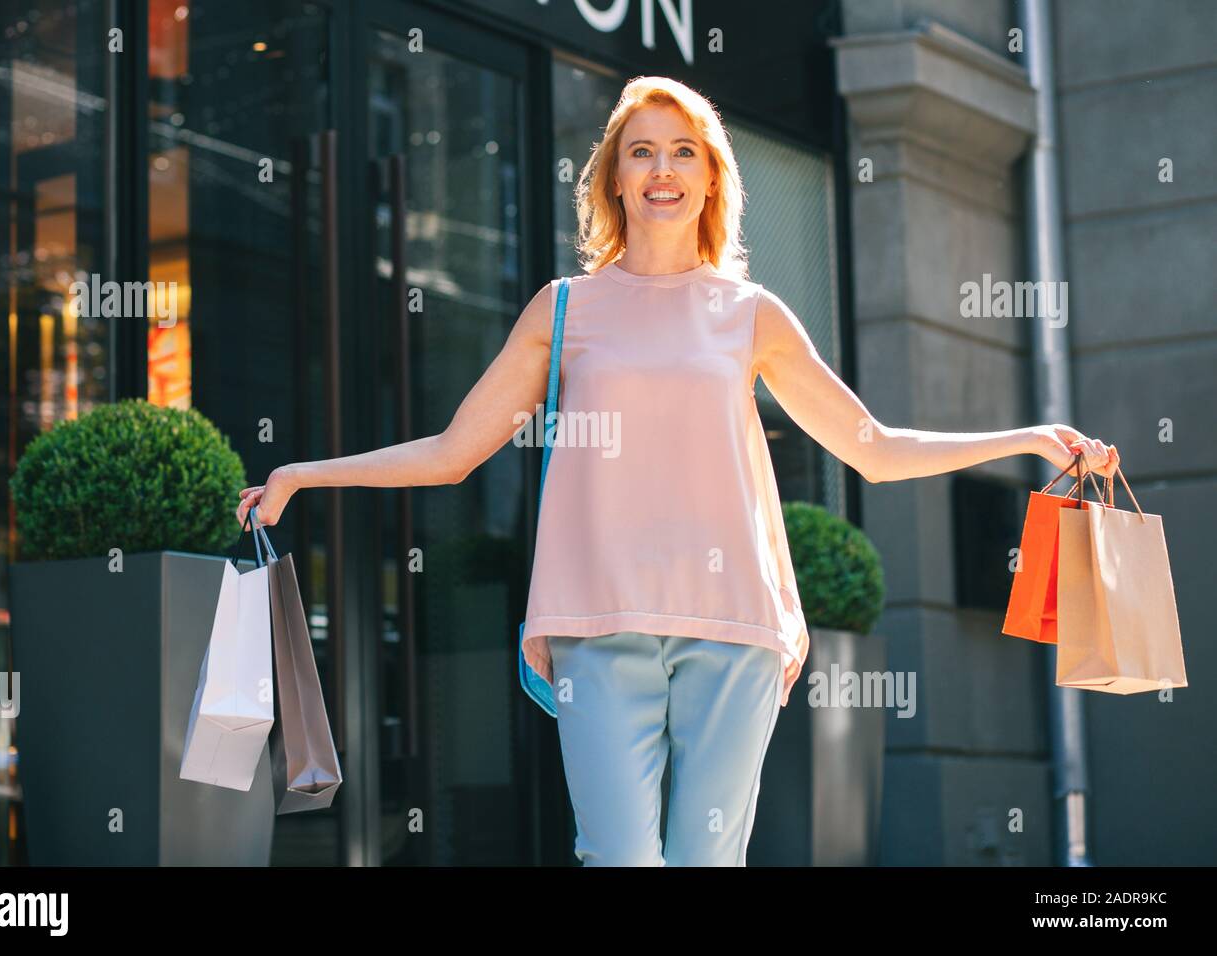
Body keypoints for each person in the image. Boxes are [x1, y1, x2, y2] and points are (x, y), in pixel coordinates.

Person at [233, 76, 1119, 866]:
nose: (663, 169)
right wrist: (305, 475)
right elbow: (453, 452)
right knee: (616, 855)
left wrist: (1029, 439)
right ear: (614, 178)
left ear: (710, 177)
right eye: (642, 151)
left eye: (683, 151)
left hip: (731, 626)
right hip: (596, 625)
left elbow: (873, 449)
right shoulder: (564, 310)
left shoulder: (749, 315)